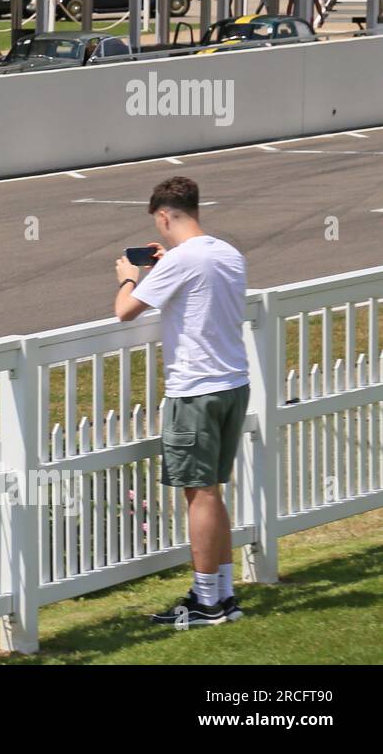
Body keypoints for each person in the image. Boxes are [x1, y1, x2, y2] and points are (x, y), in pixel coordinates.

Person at [114, 177, 250, 628]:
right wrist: (164, 264)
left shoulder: (181, 260)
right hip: (233, 383)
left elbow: (125, 310)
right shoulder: (227, 252)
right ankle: (224, 594)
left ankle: (205, 601)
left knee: (201, 493)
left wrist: (131, 276)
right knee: (213, 490)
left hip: (195, 389)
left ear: (163, 216)